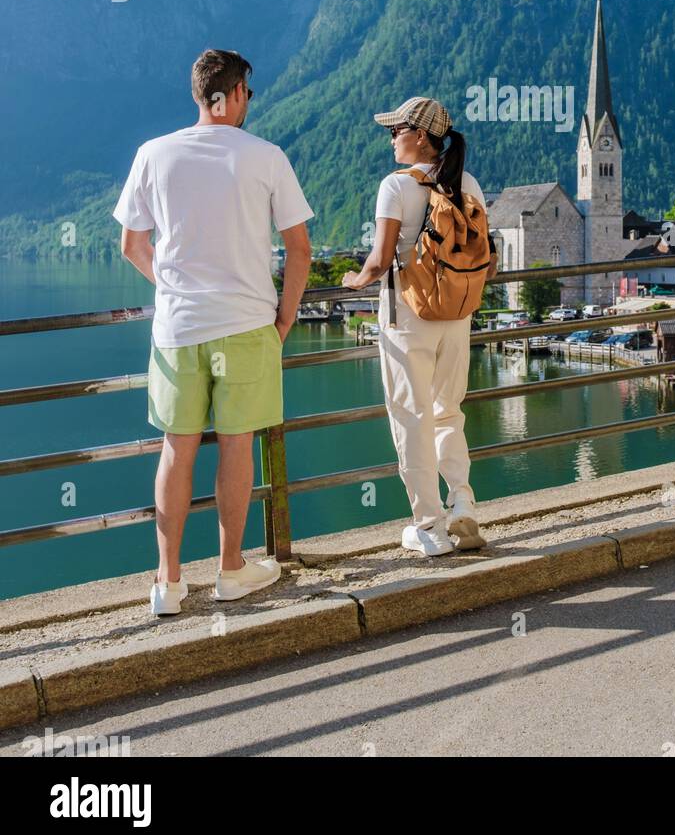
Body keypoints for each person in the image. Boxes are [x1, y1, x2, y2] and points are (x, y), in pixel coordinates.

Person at [113, 49, 314, 616]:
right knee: (236, 445)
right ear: (234, 93)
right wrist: (285, 318)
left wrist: (172, 287)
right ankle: (230, 570)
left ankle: (168, 582)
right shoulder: (266, 157)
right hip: (248, 325)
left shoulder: (153, 154)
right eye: (249, 90)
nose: (250, 99)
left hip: (178, 328)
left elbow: (132, 245)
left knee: (176, 449)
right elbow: (299, 248)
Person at [342, 97, 493, 557]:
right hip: (458, 316)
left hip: (409, 319)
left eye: (397, 131)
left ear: (421, 136)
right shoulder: (468, 183)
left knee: (411, 417)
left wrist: (355, 279)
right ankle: (463, 502)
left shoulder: (395, 187)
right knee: (448, 410)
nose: (391, 139)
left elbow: (380, 259)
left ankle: (429, 526)